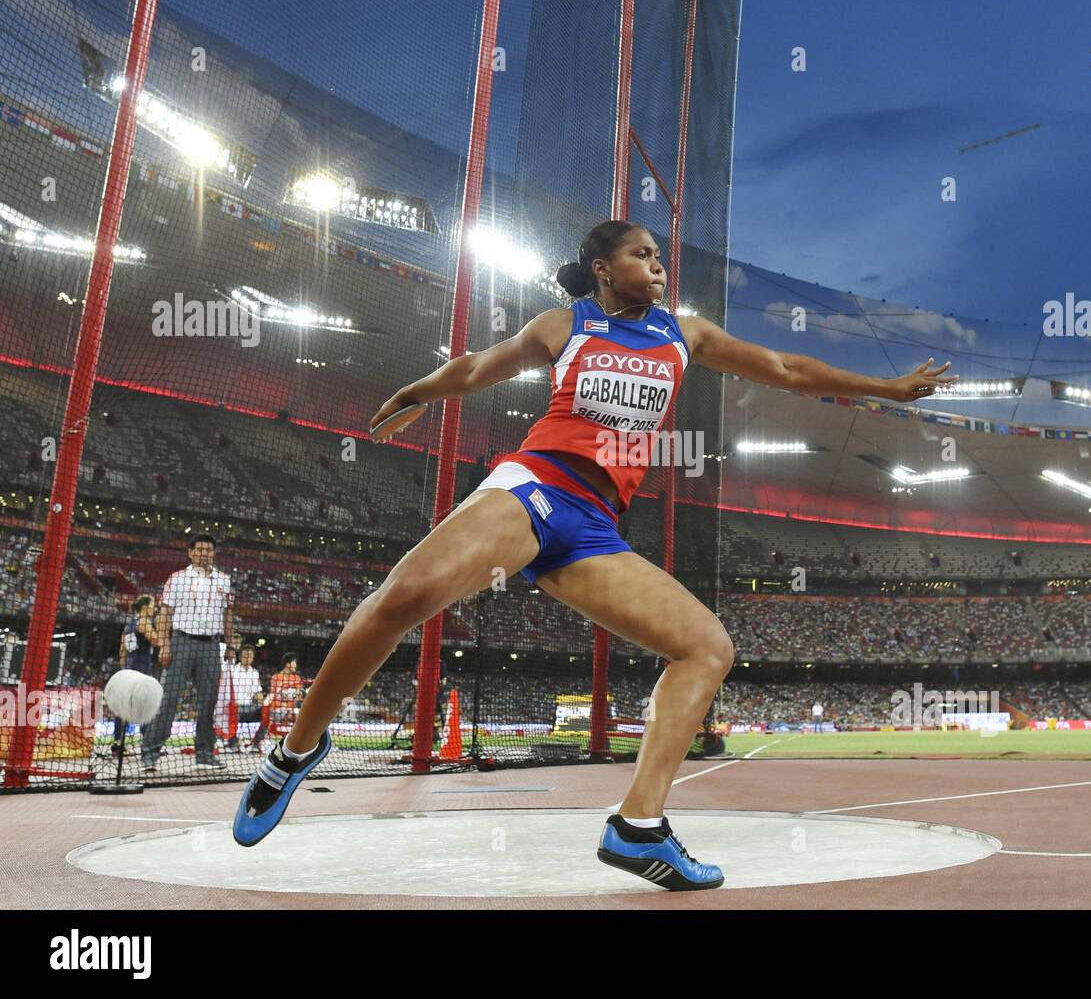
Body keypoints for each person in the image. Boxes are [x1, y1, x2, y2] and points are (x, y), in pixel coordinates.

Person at [232, 220, 956, 889]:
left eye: (659, 256)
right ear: (603, 269)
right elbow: (479, 367)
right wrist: (416, 390)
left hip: (596, 529)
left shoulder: (686, 335)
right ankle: (295, 752)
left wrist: (882, 389)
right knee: (405, 597)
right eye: (642, 254)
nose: (658, 265)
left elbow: (786, 368)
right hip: (537, 487)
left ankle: (639, 829)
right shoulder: (565, 324)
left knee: (707, 647)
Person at [141, 534, 234, 772]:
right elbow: (165, 613)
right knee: (169, 699)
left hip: (211, 645)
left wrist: (231, 644)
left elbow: (227, 615)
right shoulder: (178, 579)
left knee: (209, 702)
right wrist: (164, 644)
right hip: (181, 641)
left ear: (214, 553)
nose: (204, 553)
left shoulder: (224, 580)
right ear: (190, 553)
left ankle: (205, 753)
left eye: (209, 550)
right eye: (200, 549)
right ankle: (150, 753)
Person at [110, 595, 159, 751]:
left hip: (129, 669)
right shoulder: (144, 622)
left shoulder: (128, 626)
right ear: (145, 607)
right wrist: (160, 626)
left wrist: (125, 670)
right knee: (147, 705)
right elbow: (156, 641)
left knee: (124, 706)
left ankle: (118, 743)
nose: (155, 609)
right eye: (153, 605)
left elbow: (122, 651)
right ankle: (147, 744)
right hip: (142, 669)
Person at [224, 645, 267, 753]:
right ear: (240, 657)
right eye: (245, 656)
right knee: (233, 711)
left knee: (268, 711)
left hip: (250, 707)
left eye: (250, 656)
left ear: (253, 658)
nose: (247, 658)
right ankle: (232, 744)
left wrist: (262, 699)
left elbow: (257, 692)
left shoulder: (255, 672)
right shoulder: (232, 671)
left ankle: (257, 743)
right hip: (235, 707)